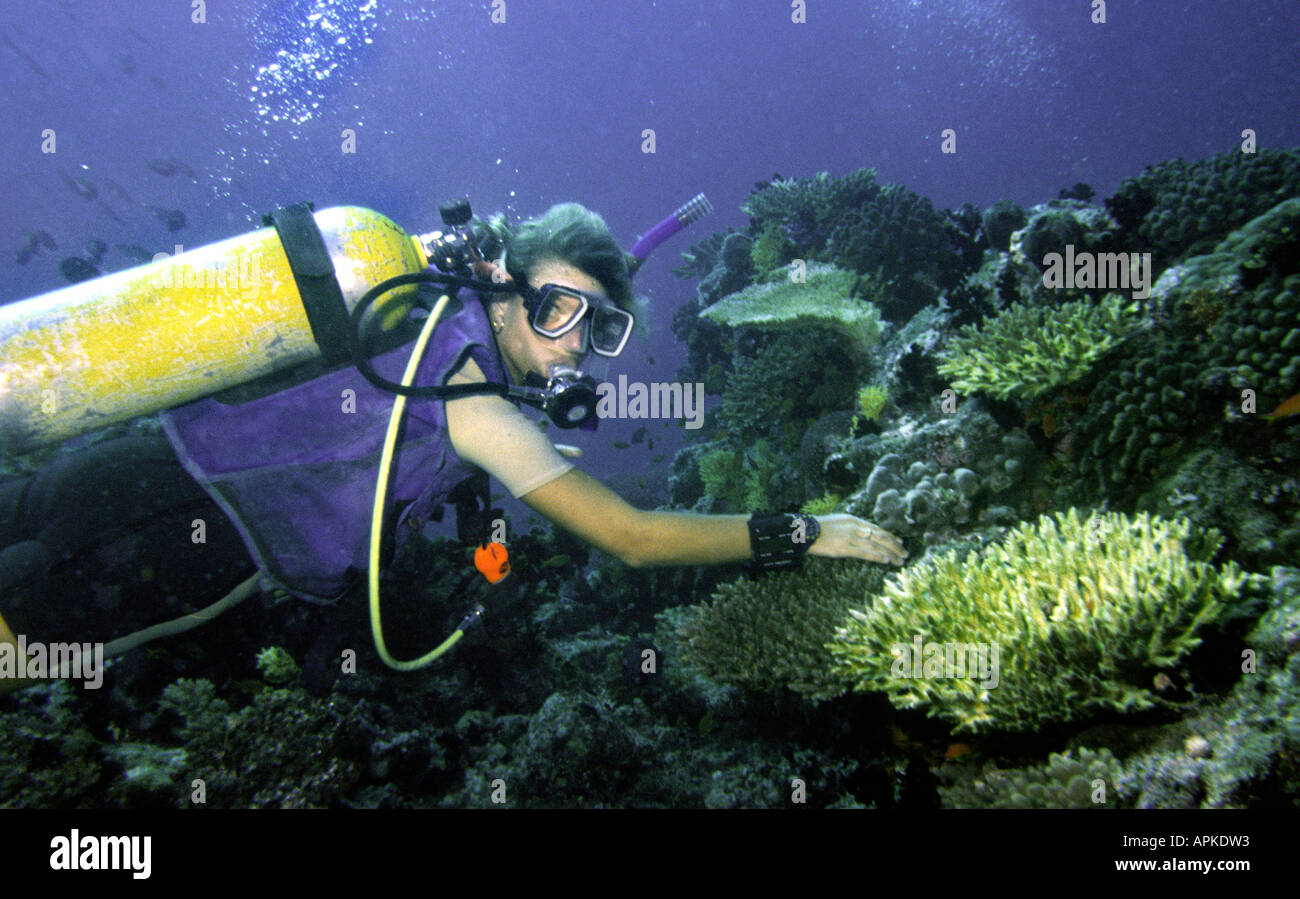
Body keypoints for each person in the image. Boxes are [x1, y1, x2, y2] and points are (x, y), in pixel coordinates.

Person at [0, 202, 906, 694]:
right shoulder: (472, 396)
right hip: (169, 547)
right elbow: (633, 538)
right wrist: (805, 528)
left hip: (119, 461)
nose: (567, 345)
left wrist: (519, 453)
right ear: (505, 286)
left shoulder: (424, 324)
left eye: (594, 330)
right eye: (556, 310)